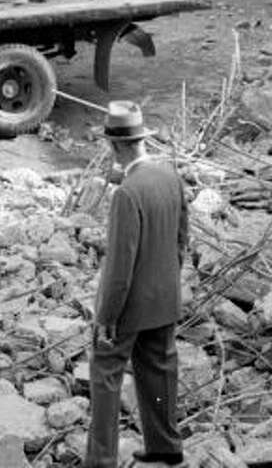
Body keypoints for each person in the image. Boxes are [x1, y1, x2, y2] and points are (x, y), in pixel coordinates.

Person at [86, 101, 188, 468]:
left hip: (129, 307)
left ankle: (101, 461)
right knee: (160, 370)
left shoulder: (127, 193)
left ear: (114, 147)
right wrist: (166, 284)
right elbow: (181, 242)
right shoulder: (170, 177)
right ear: (142, 138)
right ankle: (166, 447)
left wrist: (106, 316)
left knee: (105, 373)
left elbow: (119, 267)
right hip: (165, 298)